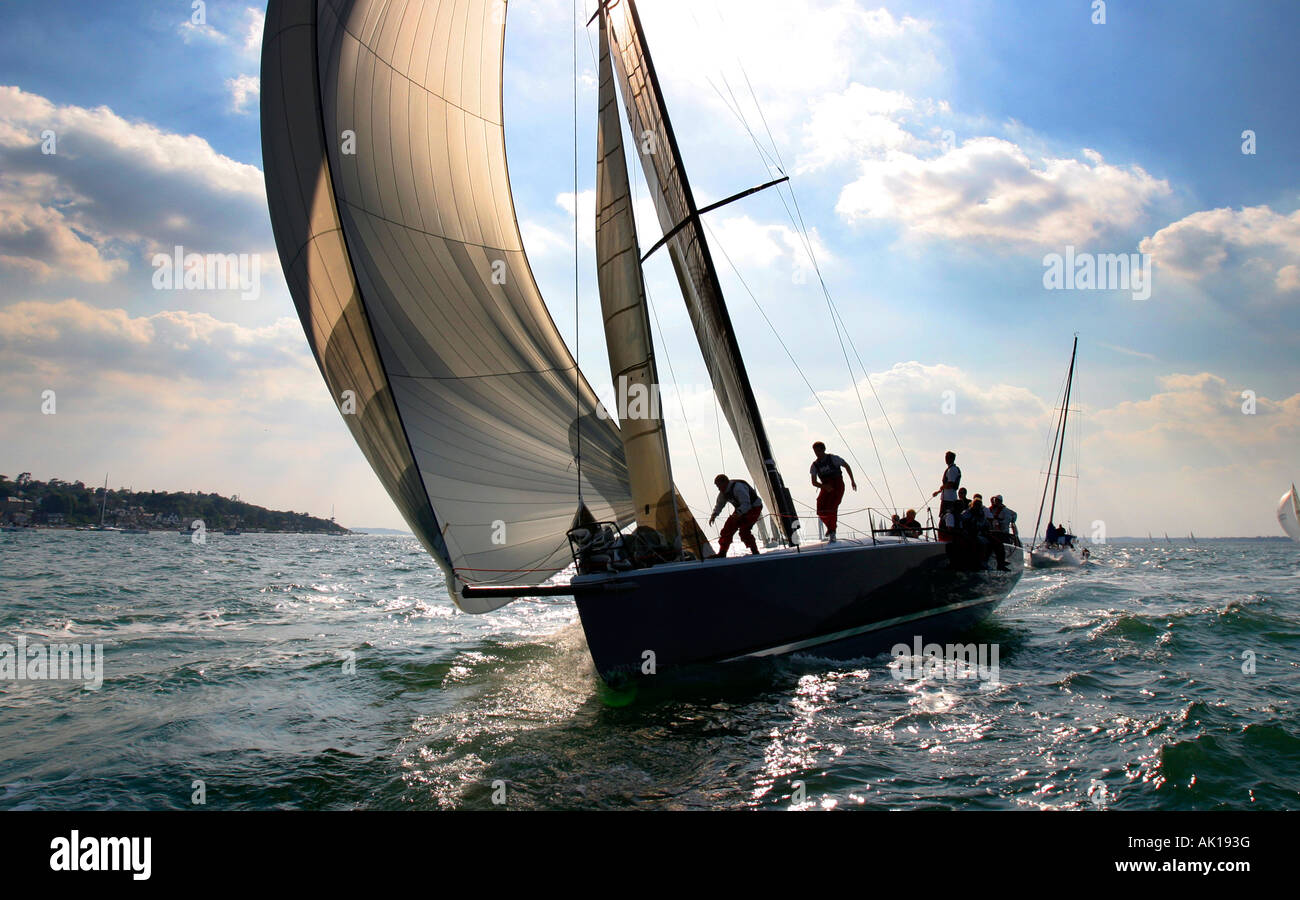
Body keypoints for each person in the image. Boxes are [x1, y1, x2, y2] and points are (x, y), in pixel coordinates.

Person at [810, 441, 856, 543]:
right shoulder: (814, 465)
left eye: (818, 451)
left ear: (823, 449)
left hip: (837, 486)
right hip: (826, 487)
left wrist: (852, 480)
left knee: (832, 508)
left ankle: (832, 532)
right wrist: (824, 486)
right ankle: (831, 528)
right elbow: (813, 482)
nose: (817, 453)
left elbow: (846, 466)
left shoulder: (833, 458)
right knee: (820, 509)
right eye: (815, 451)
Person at [709, 473, 763, 556]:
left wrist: (738, 514)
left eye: (719, 486)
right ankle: (722, 553)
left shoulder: (738, 488)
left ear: (725, 483)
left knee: (744, 529)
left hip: (753, 507)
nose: (719, 489)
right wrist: (714, 515)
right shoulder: (723, 493)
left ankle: (755, 551)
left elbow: (746, 504)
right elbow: (720, 504)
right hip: (740, 509)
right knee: (727, 528)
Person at [931, 451, 961, 538]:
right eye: (946, 457)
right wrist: (938, 491)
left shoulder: (952, 470)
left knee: (945, 517)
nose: (946, 459)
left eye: (947, 457)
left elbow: (951, 484)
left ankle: (944, 536)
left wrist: (942, 487)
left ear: (951, 458)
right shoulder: (951, 469)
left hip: (949, 499)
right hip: (948, 497)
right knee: (944, 517)